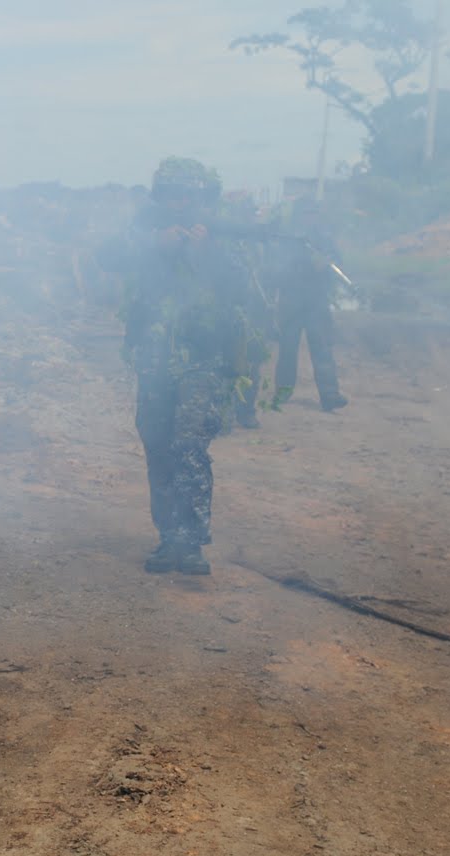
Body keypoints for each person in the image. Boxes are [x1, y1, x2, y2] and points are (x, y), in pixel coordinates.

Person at [122, 157, 259, 575]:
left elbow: (242, 290)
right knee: (158, 445)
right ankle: (168, 537)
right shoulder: (142, 233)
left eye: (189, 195)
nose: (181, 203)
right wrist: (156, 247)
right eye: (172, 195)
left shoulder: (217, 238)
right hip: (154, 361)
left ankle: (191, 541)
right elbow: (107, 257)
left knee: (190, 446)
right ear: (159, 199)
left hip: (203, 361)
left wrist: (205, 255)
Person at [270, 198, 348, 412]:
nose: (310, 217)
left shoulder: (324, 238)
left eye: (314, 212)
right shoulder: (286, 238)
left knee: (322, 348)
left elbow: (337, 265)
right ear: (298, 215)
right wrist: (306, 266)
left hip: (316, 302)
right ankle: (282, 394)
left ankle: (330, 396)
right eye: (306, 212)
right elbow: (276, 270)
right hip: (291, 301)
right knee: (287, 350)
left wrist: (326, 266)